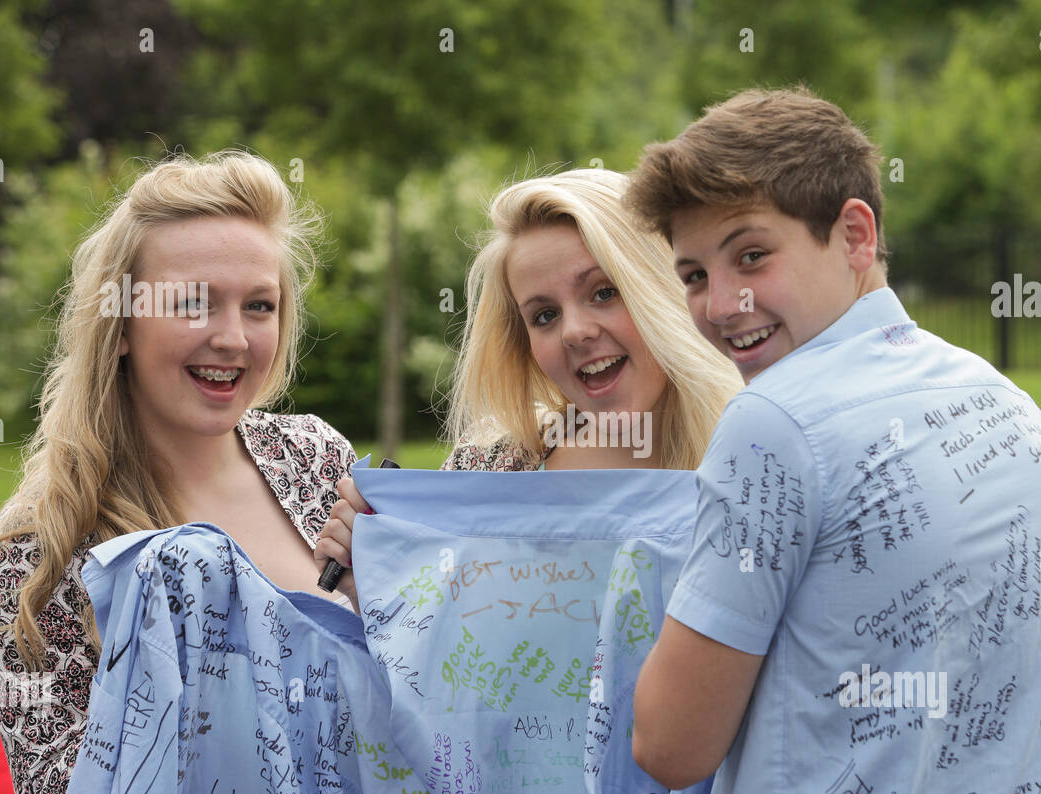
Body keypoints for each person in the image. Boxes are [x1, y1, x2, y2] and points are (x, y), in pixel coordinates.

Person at [626, 86, 1041, 794]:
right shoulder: (1007, 401)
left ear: (855, 234)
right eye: (694, 274)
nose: (723, 303)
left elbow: (669, 746)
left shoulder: (772, 424)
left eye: (752, 255)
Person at [0, 150, 356, 794]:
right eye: (193, 303)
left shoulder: (317, 459)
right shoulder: (39, 550)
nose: (234, 338)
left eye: (259, 305)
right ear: (120, 324)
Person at [314, 168, 742, 608]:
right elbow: (436, 654)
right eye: (544, 316)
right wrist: (373, 588)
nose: (574, 332)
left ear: (659, 288)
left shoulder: (754, 468)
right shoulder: (491, 464)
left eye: (603, 292)